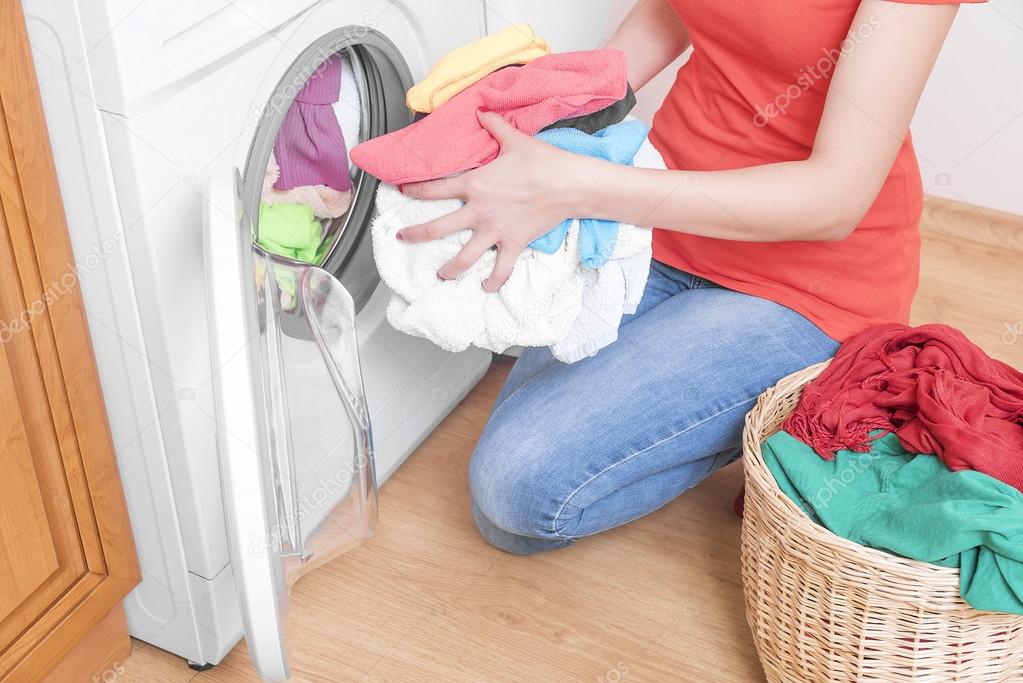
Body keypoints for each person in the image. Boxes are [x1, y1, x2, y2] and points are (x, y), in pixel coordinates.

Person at [396, 0, 981, 554]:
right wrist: (540, 116)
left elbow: (836, 199)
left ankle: (777, 427)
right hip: (650, 220)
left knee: (517, 492)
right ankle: (745, 414)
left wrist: (570, 185)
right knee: (508, 520)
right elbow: (668, 17)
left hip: (803, 284)